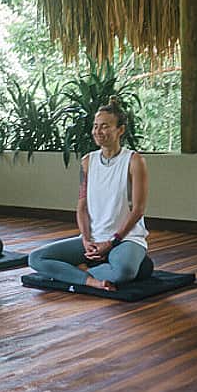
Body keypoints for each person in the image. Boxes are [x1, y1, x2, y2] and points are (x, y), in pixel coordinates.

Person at [28, 97, 148, 291]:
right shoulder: (87, 162)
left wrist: (111, 242)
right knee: (36, 258)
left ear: (121, 130)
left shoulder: (134, 161)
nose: (98, 132)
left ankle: (74, 272)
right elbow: (82, 206)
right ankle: (90, 279)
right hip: (93, 238)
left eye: (105, 126)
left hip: (124, 239)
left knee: (124, 272)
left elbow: (138, 209)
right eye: (95, 126)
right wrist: (85, 239)